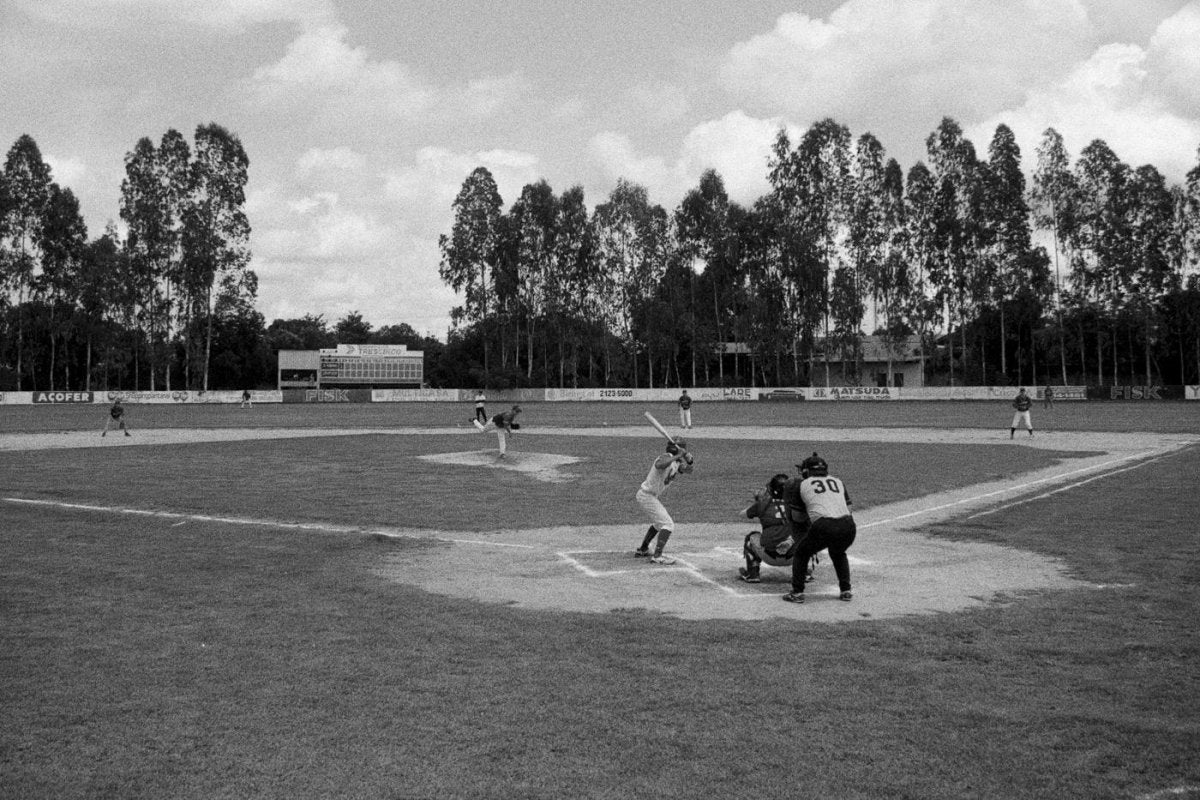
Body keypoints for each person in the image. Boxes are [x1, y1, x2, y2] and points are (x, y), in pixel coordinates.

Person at [782, 452, 856, 604]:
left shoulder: (802, 484)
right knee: (838, 553)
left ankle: (797, 593)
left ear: (806, 471)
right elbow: (849, 509)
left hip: (824, 525)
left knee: (801, 553)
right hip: (848, 526)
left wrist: (810, 518)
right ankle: (846, 590)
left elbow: (797, 517)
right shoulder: (838, 481)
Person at [634, 438, 694, 565]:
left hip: (650, 496)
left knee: (659, 523)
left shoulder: (676, 463)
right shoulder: (665, 457)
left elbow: (689, 470)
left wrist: (690, 460)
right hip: (646, 495)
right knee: (668, 524)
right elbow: (660, 465)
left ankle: (643, 549)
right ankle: (657, 556)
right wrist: (679, 455)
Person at [740, 473, 797, 583]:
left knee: (751, 537)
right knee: (807, 536)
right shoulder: (797, 505)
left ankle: (753, 574)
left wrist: (757, 504)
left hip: (769, 556)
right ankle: (804, 574)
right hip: (793, 557)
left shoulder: (763, 504)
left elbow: (742, 514)